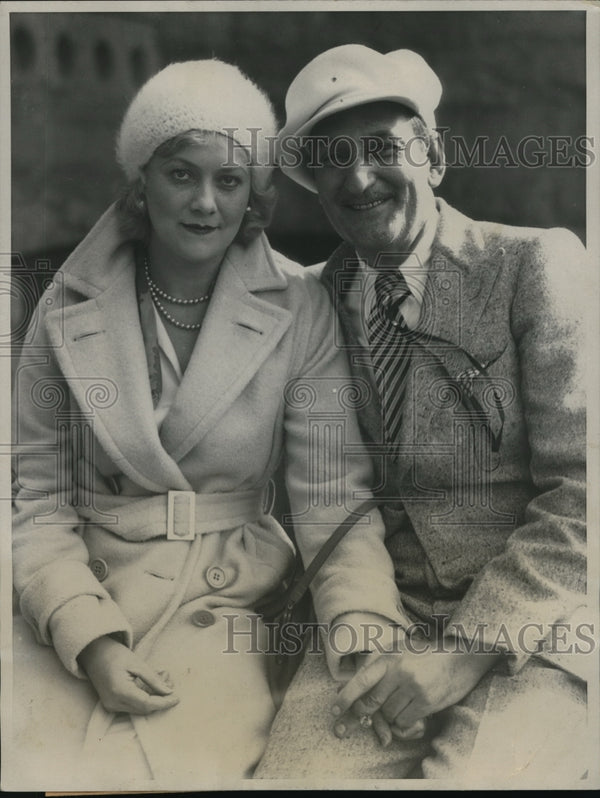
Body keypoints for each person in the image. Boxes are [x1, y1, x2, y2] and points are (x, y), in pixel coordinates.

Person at [9, 58, 410, 793]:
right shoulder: (64, 307)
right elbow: (31, 499)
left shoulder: (300, 308)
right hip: (72, 594)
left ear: (254, 195)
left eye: (229, 181)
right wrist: (86, 633)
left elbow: (331, 501)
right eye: (180, 175)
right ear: (141, 180)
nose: (204, 204)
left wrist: (361, 634)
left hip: (225, 604)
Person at [255, 45, 589, 782]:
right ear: (314, 186)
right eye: (333, 159)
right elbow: (333, 497)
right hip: (384, 625)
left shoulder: (536, 265)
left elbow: (585, 496)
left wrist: (461, 654)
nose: (360, 177)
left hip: (539, 628)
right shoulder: (313, 301)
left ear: (433, 156)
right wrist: (368, 635)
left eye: (382, 148)